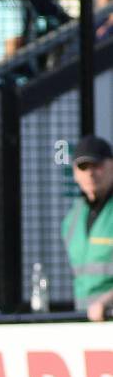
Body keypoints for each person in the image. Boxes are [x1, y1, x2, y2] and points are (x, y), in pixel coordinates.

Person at [63, 135, 113, 321]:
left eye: (97, 166)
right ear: (75, 173)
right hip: (84, 321)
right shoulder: (71, 219)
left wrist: (106, 301)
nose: (90, 173)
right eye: (83, 167)